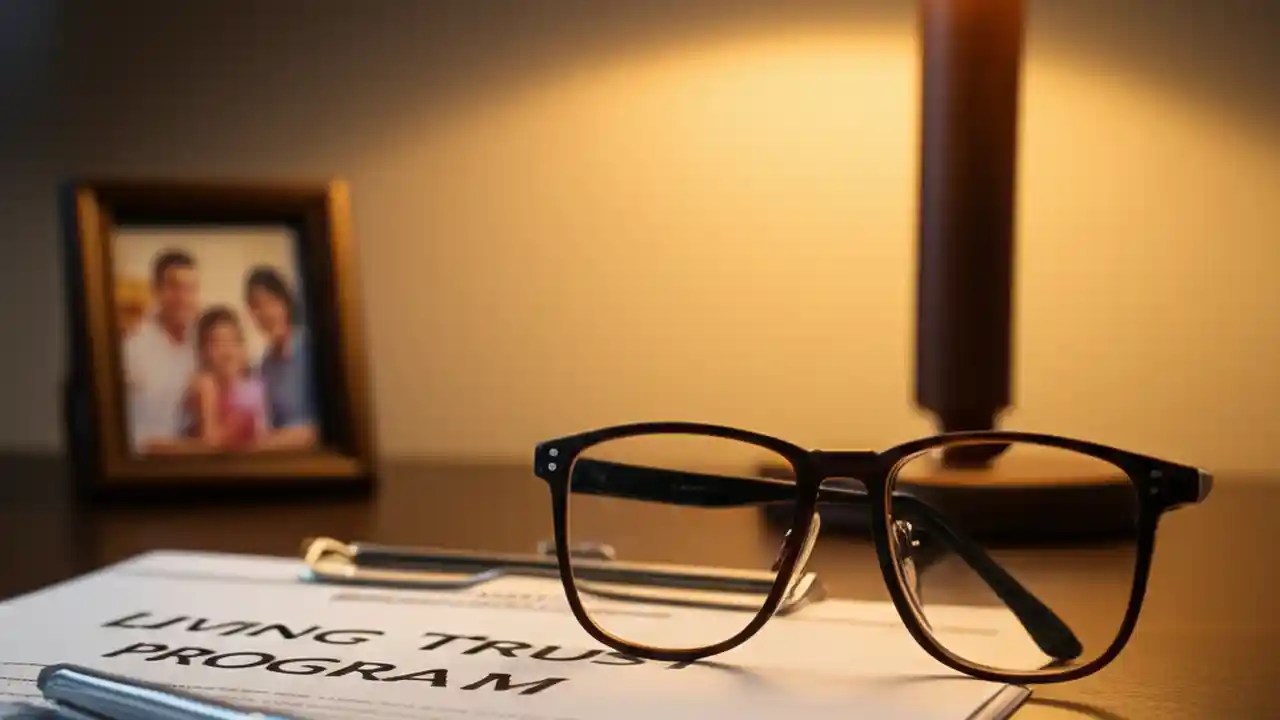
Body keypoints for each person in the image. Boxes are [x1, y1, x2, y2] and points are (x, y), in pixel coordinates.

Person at [122, 250, 199, 453]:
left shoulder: (200, 344)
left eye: (190, 289)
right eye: (175, 287)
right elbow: (130, 437)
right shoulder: (132, 350)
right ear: (156, 290)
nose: (184, 298)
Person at [245, 266, 317, 450]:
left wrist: (267, 444)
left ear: (286, 303)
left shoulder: (310, 348)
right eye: (256, 306)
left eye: (271, 302)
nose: (265, 312)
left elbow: (325, 424)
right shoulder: (265, 365)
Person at [187, 306, 268, 450]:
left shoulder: (254, 386)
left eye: (233, 341)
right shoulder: (205, 386)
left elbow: (262, 436)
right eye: (217, 343)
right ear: (203, 351)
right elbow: (210, 442)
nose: (227, 351)